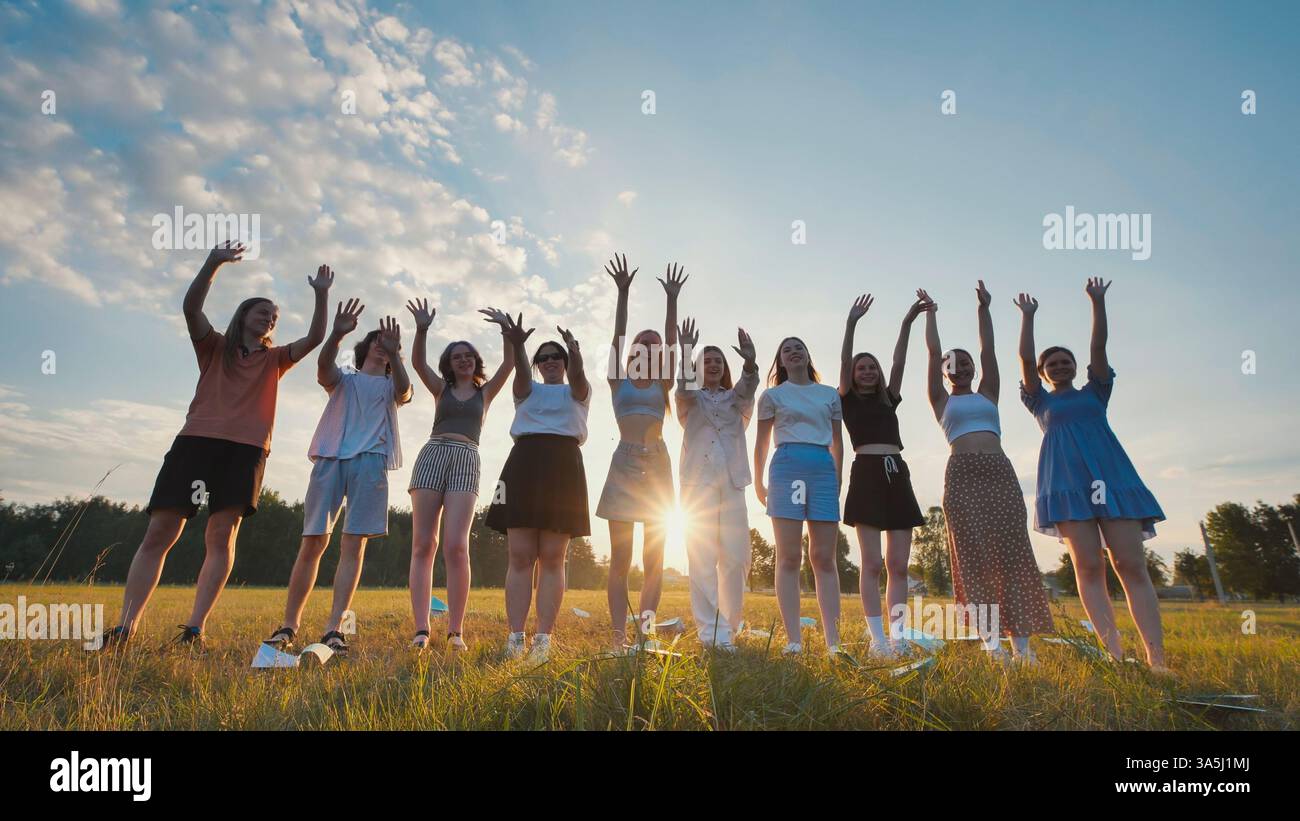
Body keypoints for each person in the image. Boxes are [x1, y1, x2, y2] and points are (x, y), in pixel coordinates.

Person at [100, 241, 330, 650]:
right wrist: (213, 264)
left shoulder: (275, 359)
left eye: (274, 316)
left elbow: (315, 336)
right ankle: (126, 626)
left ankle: (194, 628)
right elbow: (191, 308)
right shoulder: (214, 346)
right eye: (263, 311)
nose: (270, 317)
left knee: (221, 535)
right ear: (244, 314)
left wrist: (321, 294)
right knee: (161, 531)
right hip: (196, 443)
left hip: (245, 450)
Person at [1015, 278, 1169, 672]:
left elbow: (1098, 347)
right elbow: (1024, 357)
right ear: (1044, 373)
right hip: (1067, 487)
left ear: (1075, 367)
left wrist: (1097, 302)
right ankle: (1113, 654)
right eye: (1052, 364)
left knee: (1130, 565)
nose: (1060, 366)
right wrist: (1028, 317)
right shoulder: (1039, 401)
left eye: (1065, 361)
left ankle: (1156, 658)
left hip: (1111, 479)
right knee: (1088, 567)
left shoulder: (1096, 391)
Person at [264, 305, 412, 655]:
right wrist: (337, 333)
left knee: (353, 545)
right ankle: (289, 625)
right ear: (363, 349)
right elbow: (322, 368)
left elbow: (405, 391)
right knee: (313, 542)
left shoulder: (392, 384)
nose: (381, 345)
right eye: (375, 340)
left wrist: (396, 353)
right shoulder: (344, 379)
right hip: (331, 458)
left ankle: (334, 630)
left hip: (371, 463)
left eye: (388, 343)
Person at [922, 282, 1053, 664]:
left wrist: (984, 309)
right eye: (952, 366)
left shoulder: (988, 393)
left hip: (999, 473)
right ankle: (992, 643)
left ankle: (1022, 647)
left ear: (974, 370)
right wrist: (931, 314)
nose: (959, 368)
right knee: (973, 559)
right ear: (944, 373)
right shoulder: (940, 399)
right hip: (962, 476)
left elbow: (989, 349)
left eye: (965, 364)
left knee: (1012, 556)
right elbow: (932, 352)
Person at [404, 299, 515, 651]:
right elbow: (418, 363)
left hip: (467, 458)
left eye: (468, 355)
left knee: (455, 546)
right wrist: (421, 329)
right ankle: (422, 629)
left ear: (475, 362)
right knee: (424, 544)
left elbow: (511, 363)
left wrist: (505, 329)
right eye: (456, 356)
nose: (464, 360)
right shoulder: (442, 389)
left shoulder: (486, 391)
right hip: (433, 453)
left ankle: (455, 631)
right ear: (450, 365)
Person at [485, 316, 591, 664]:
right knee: (519, 556)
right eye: (543, 357)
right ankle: (516, 638)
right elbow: (520, 373)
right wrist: (517, 344)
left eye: (555, 356)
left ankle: (543, 640)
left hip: (563, 466)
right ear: (536, 364)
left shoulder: (577, 392)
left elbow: (577, 376)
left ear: (564, 361)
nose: (549, 361)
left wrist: (574, 349)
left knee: (552, 558)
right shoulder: (526, 390)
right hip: (525, 464)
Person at [596, 254, 686, 652]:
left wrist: (671, 299)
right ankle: (618, 639)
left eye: (654, 344)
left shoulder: (664, 381)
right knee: (620, 560)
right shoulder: (618, 377)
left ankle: (645, 636)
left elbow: (670, 341)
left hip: (658, 464)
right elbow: (617, 335)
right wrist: (623, 291)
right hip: (624, 462)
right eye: (642, 342)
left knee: (654, 559)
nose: (650, 346)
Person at [838, 293, 932, 658]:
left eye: (871, 367)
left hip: (897, 476)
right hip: (866, 475)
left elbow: (899, 360)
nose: (867, 371)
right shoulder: (845, 398)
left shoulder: (888, 398)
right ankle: (877, 639)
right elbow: (845, 360)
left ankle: (898, 637)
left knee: (898, 565)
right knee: (873, 563)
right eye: (862, 367)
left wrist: (908, 322)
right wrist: (851, 323)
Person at [753, 336, 845, 658]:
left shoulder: (829, 394)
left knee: (823, 558)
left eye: (799, 348)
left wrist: (838, 477)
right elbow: (762, 443)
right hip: (787, 467)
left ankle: (834, 643)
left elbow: (837, 441)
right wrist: (758, 481)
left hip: (822, 468)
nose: (793, 352)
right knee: (790, 557)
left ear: (808, 355)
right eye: (786, 349)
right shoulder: (772, 396)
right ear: (780, 360)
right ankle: (794, 641)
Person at [675, 318, 759, 651]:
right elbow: (681, 385)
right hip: (698, 485)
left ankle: (730, 625)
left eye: (717, 361)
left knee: (737, 557)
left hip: (733, 482)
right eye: (706, 360)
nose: (712, 364)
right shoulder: (688, 399)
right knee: (702, 557)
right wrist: (685, 351)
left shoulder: (735, 399)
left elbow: (748, 387)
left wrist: (750, 362)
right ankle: (711, 631)